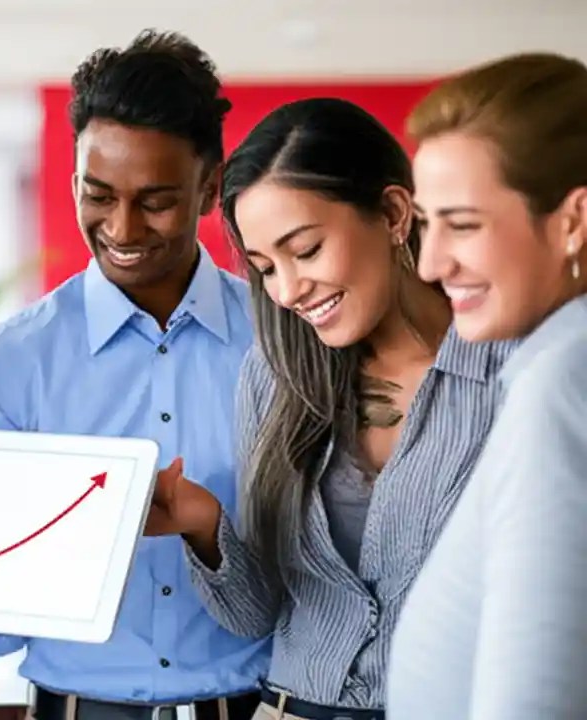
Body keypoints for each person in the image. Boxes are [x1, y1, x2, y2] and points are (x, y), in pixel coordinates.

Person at [145, 97, 514, 720]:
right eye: (264, 268)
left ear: (394, 212)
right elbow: (253, 614)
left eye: (307, 249)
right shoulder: (276, 375)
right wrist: (202, 524)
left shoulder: (513, 370)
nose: (287, 291)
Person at [0, 29, 269, 720]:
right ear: (74, 183)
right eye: (98, 194)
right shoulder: (8, 363)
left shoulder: (282, 343)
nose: (122, 227)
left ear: (211, 188)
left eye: (155, 200)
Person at [388, 52, 587, 719]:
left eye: (464, 224)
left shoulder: (563, 379)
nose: (431, 261)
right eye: (426, 222)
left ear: (574, 222)